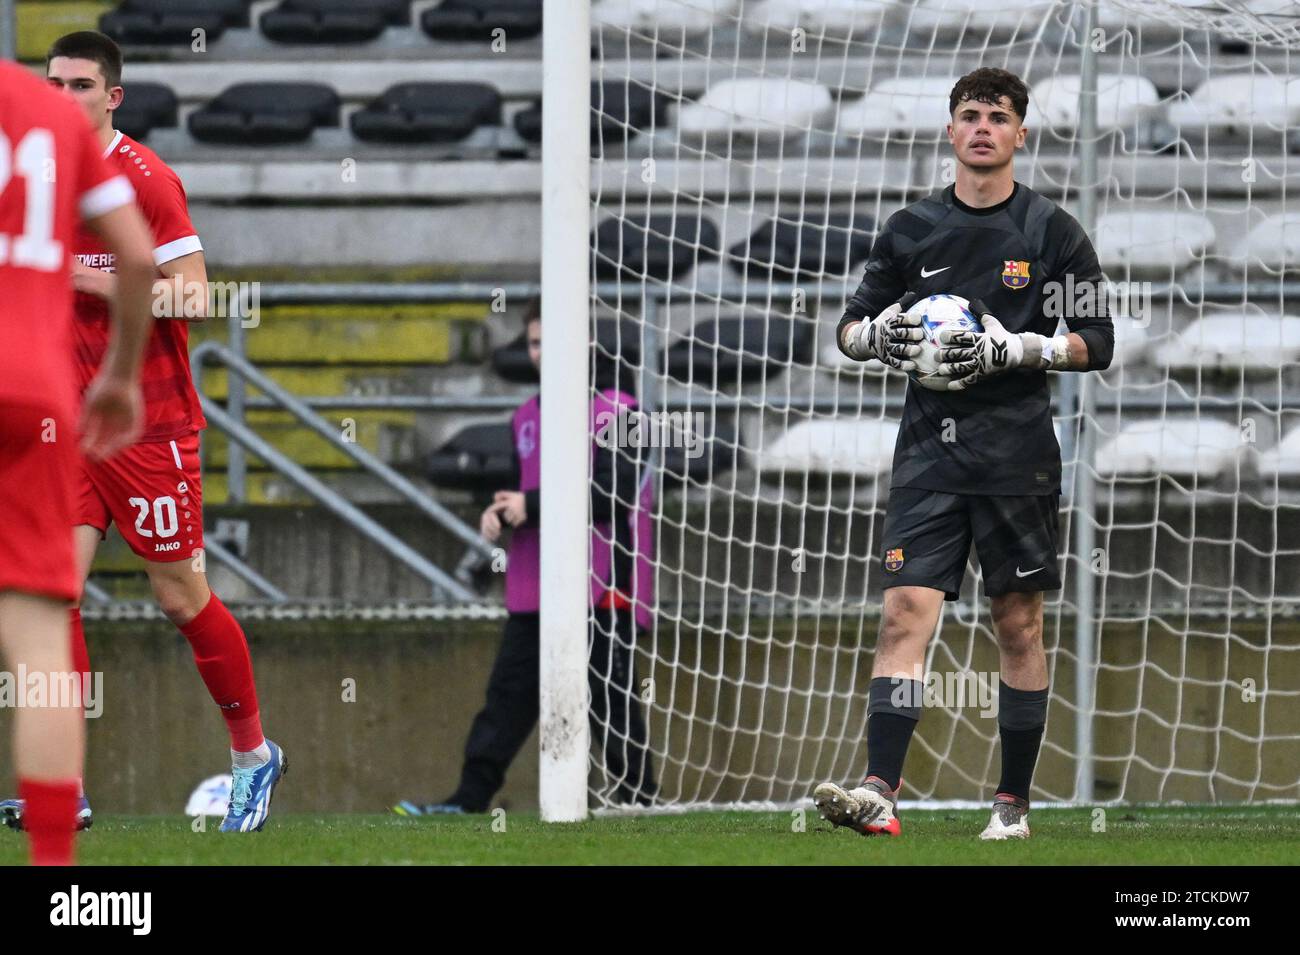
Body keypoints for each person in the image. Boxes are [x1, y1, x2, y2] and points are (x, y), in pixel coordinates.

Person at [814, 67, 1114, 840]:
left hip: (1016, 454)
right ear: (950, 132)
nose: (983, 128)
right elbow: (847, 329)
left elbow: (1099, 343)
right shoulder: (910, 229)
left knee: (1016, 623)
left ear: (1020, 134)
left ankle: (1011, 804)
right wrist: (877, 337)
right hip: (928, 453)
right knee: (903, 611)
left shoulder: (1052, 232)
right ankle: (880, 791)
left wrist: (1020, 347)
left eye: (999, 116)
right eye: (970, 115)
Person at [0, 31, 285, 835]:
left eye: (80, 84)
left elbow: (193, 298)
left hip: (149, 423)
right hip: (67, 426)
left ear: (112, 96)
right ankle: (65, 788)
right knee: (49, 600)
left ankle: (252, 755)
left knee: (178, 594)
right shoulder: (35, 179)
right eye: (52, 82)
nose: (62, 97)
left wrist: (85, 277)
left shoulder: (145, 179)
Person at [395, 299, 658, 814]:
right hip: (533, 581)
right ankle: (469, 799)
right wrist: (499, 513)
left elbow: (615, 494)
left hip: (602, 581)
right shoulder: (524, 418)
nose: (542, 353)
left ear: (583, 345)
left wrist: (529, 504)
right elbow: (522, 490)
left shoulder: (623, 411)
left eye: (551, 341)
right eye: (535, 343)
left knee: (609, 700)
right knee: (508, 697)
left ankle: (639, 801)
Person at [0, 57, 155, 864]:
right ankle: (56, 876)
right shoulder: (52, 113)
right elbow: (135, 256)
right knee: (37, 640)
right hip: (35, 389)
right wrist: (122, 376)